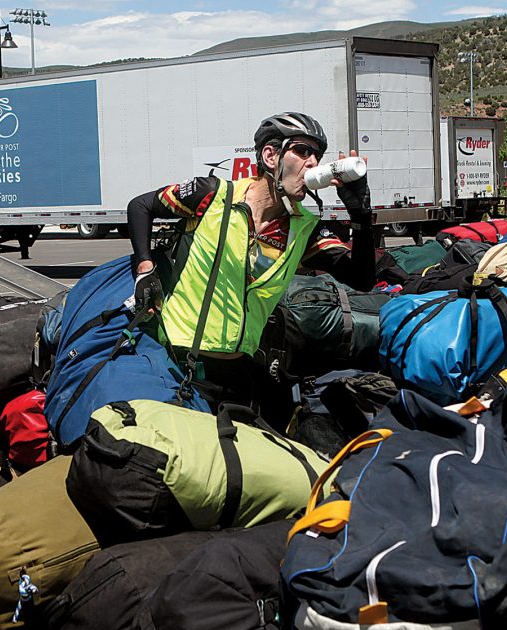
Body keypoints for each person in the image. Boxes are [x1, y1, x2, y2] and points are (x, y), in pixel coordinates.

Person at [125, 112, 375, 410]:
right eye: (302, 151)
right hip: (178, 365)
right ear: (271, 155)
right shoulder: (214, 195)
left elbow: (362, 279)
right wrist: (145, 269)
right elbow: (140, 206)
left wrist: (360, 216)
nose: (313, 162)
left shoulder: (304, 227)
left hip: (240, 370)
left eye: (317, 155)